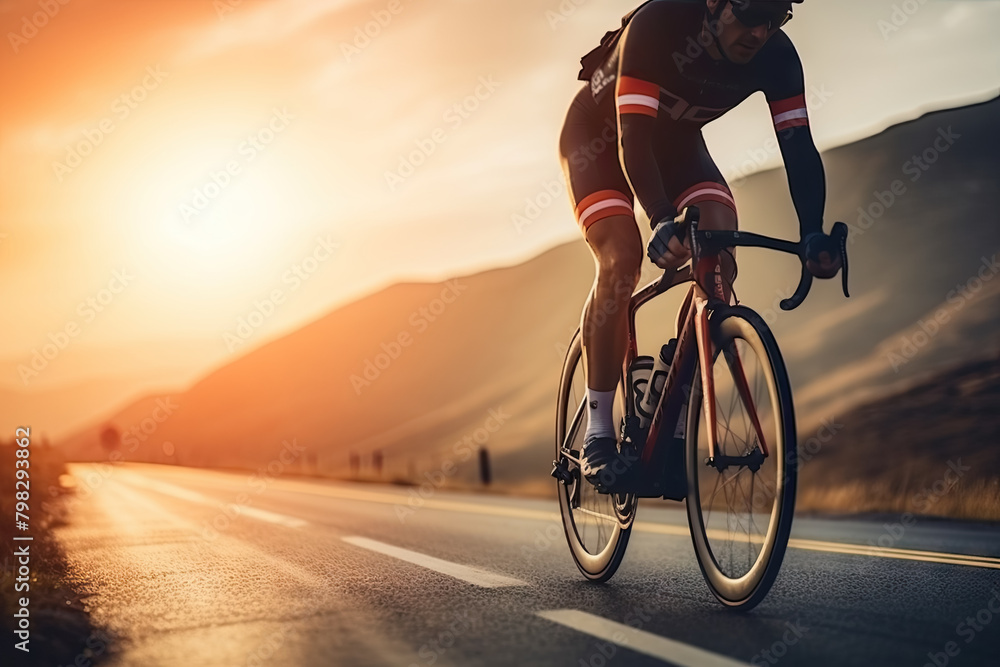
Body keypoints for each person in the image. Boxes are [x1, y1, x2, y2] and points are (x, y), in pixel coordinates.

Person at [558, 0, 841, 486]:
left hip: (677, 147)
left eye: (777, 18)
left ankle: (668, 385)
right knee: (622, 259)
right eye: (752, 12)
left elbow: (797, 144)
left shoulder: (777, 55)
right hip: (602, 142)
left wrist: (812, 230)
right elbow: (632, 140)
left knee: (718, 260)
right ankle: (599, 435)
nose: (761, 31)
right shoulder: (660, 25)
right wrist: (661, 218)